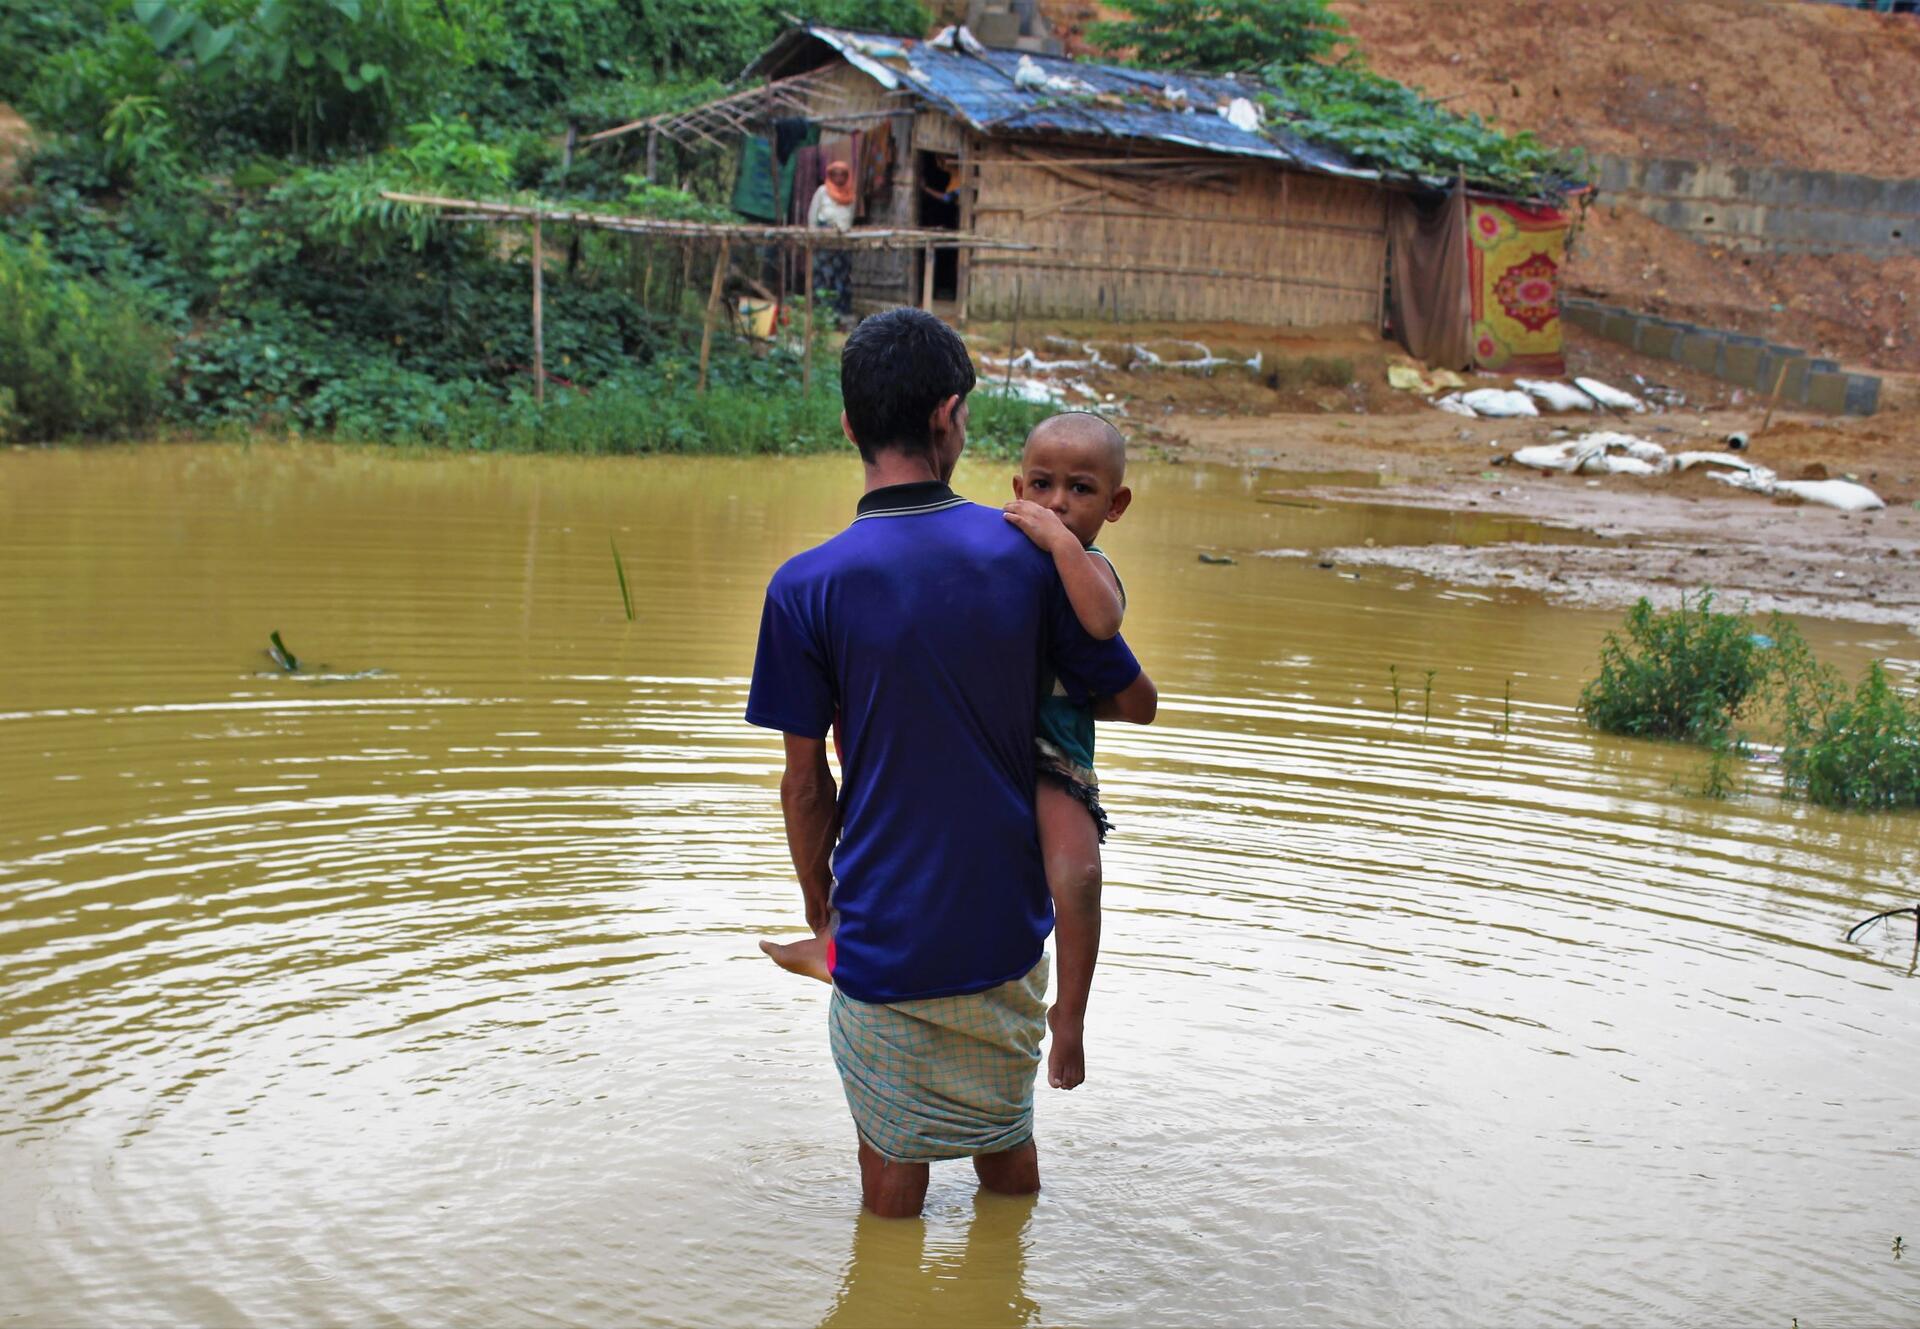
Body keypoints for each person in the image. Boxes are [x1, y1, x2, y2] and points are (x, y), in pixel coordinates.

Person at [746, 309, 1156, 1218]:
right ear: (953, 415)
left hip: (885, 933)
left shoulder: (805, 586)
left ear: (849, 425)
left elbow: (805, 784)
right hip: (1002, 930)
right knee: (1008, 1153)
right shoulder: (1031, 554)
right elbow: (1131, 697)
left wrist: (823, 904)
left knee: (891, 1181)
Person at [765, 410, 1137, 1104]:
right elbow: (1136, 698)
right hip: (985, 761)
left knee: (1076, 870)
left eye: (1079, 491)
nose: (1058, 504)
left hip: (1050, 762)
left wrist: (1058, 546)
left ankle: (1071, 1017)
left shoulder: (1058, 563)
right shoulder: (1005, 553)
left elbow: (1130, 681)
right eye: (1045, 487)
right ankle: (831, 939)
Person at [807, 160, 856, 322]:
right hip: (825, 240)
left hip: (843, 241)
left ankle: (839, 312)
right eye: (836, 174)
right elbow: (812, 216)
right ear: (830, 175)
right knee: (824, 274)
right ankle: (823, 311)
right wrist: (814, 236)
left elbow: (850, 218)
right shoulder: (822, 192)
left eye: (843, 174)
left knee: (841, 275)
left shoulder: (850, 195)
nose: (839, 177)